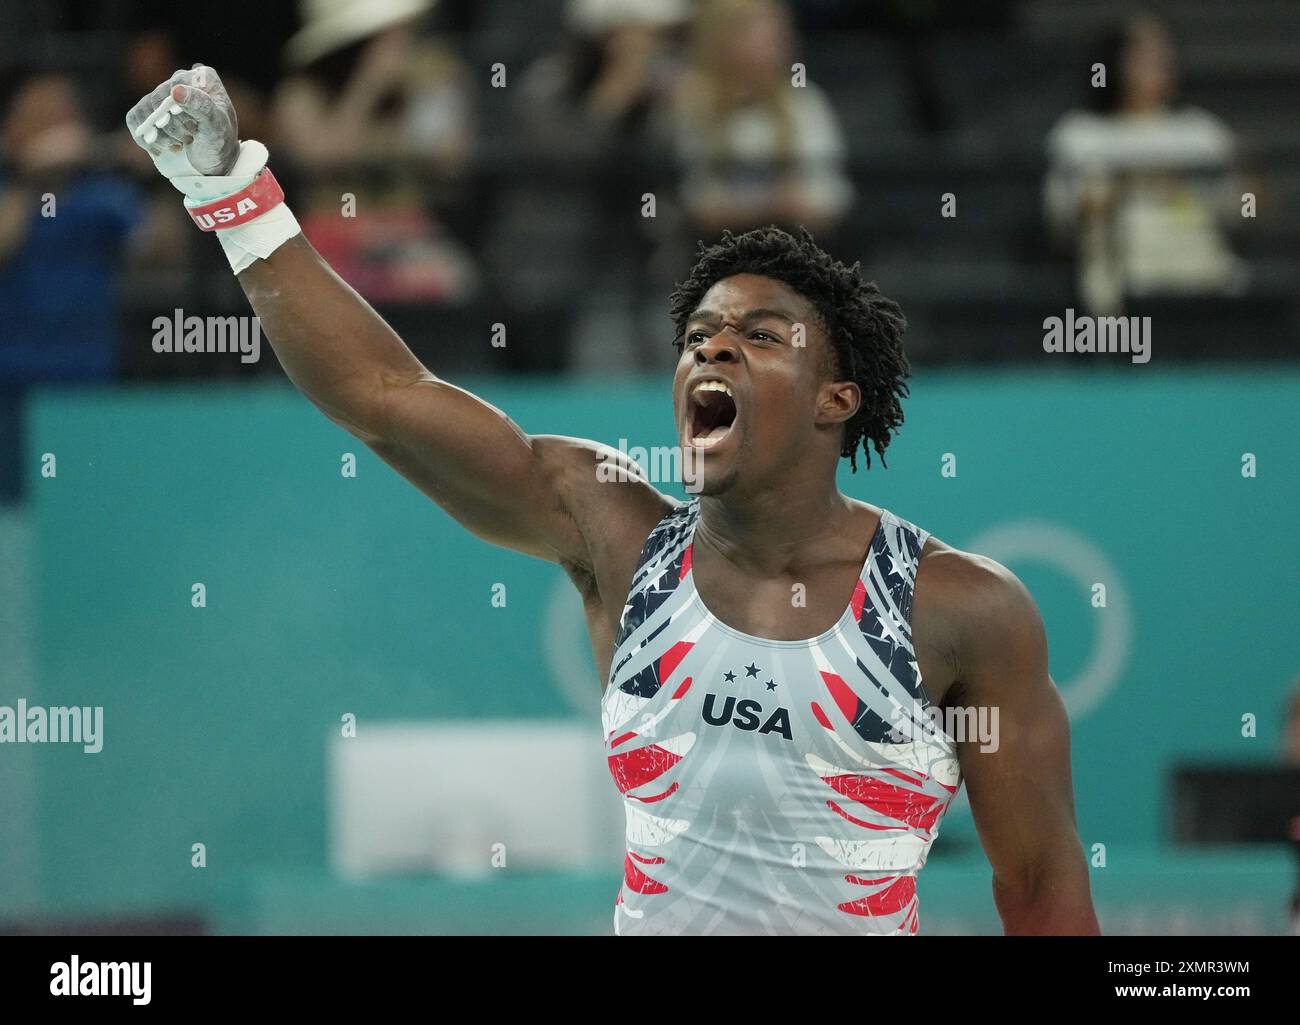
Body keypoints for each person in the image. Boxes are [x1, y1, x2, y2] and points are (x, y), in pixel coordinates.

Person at [125, 64, 1099, 935]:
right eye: (700, 336)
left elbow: (1042, 886)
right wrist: (234, 197)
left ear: (836, 397)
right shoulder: (616, 533)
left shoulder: (959, 609)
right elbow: (381, 397)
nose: (711, 348)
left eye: (758, 335)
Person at [1044, 14, 1246, 316]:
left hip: (1196, 259)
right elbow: (1061, 213)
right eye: (1141, 55)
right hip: (1123, 267)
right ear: (1113, 62)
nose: (1157, 65)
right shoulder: (1080, 134)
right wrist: (1125, 188)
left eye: (1163, 55)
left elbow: (1241, 204)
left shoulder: (1202, 132)